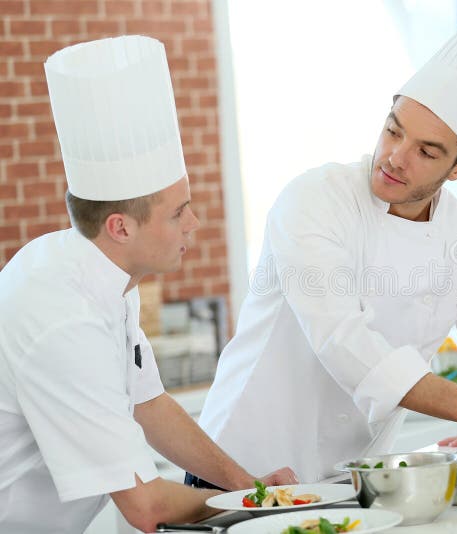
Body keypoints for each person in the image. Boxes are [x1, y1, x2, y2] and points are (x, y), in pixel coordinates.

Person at [195, 0, 457, 486]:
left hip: (348, 481)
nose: (395, 158)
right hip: (240, 473)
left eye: (426, 151)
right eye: (393, 131)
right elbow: (342, 339)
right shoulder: (316, 198)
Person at [0, 36, 296, 534]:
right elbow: (147, 508)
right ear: (121, 227)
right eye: (179, 212)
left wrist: (250, 486)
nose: (195, 224)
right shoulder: (62, 314)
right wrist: (253, 507)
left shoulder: (107, 279)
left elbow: (150, 405)